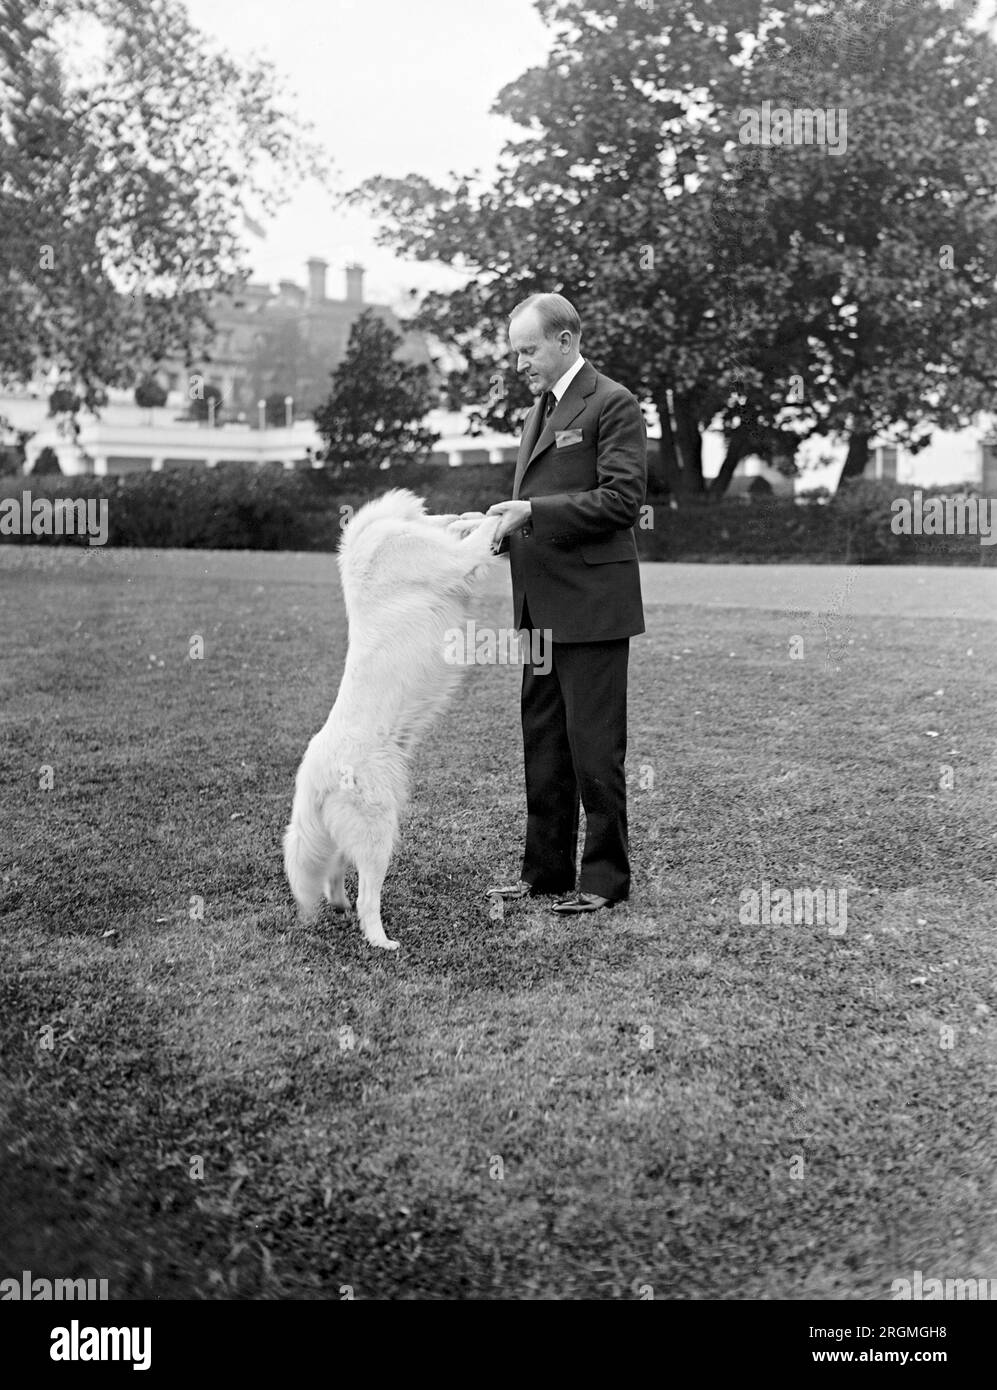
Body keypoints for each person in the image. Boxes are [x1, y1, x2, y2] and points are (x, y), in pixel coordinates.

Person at [483, 292, 647, 915]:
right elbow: (542, 504)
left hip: (593, 608)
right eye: (515, 351)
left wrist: (533, 512)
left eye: (527, 350)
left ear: (565, 342)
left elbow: (621, 501)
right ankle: (544, 873)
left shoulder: (614, 403)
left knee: (594, 749)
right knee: (545, 744)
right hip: (538, 609)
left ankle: (604, 882)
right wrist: (502, 527)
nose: (519, 363)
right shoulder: (539, 409)